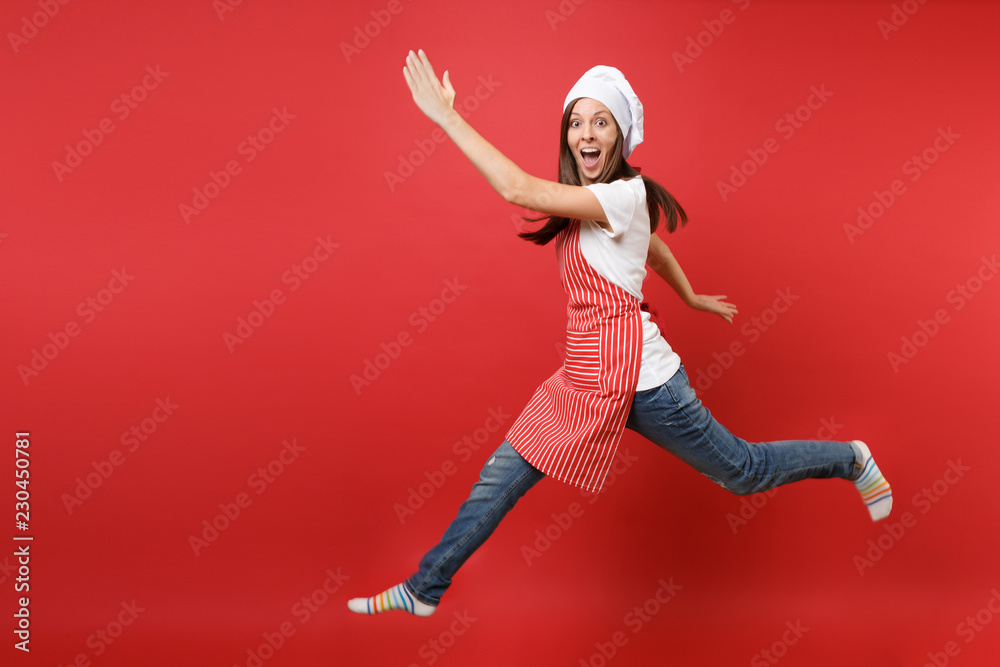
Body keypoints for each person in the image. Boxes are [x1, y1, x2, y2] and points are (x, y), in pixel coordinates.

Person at [347, 50, 892, 618]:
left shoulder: (622, 195)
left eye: (601, 122)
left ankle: (852, 459)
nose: (586, 133)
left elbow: (517, 189)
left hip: (646, 383)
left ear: (620, 136)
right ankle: (425, 588)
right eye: (576, 122)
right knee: (499, 477)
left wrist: (447, 117)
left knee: (742, 472)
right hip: (585, 378)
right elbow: (654, 249)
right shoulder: (597, 205)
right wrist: (691, 296)